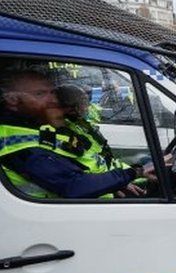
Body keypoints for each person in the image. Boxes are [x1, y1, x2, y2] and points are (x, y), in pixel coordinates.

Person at [0, 68, 153, 198]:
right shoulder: (18, 144)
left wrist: (114, 181)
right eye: (40, 94)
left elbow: (85, 167)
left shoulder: (39, 126)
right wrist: (134, 173)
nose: (54, 100)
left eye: (52, 92)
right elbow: (75, 186)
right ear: (12, 100)